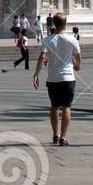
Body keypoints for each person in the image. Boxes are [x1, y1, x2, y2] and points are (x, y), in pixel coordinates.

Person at [35, 13, 83, 146]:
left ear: (54, 24)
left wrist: (36, 74)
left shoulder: (48, 39)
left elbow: (41, 57)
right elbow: (78, 57)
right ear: (65, 23)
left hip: (53, 78)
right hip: (68, 78)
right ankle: (64, 137)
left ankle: (55, 134)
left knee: (54, 107)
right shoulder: (72, 39)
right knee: (66, 107)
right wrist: (77, 66)